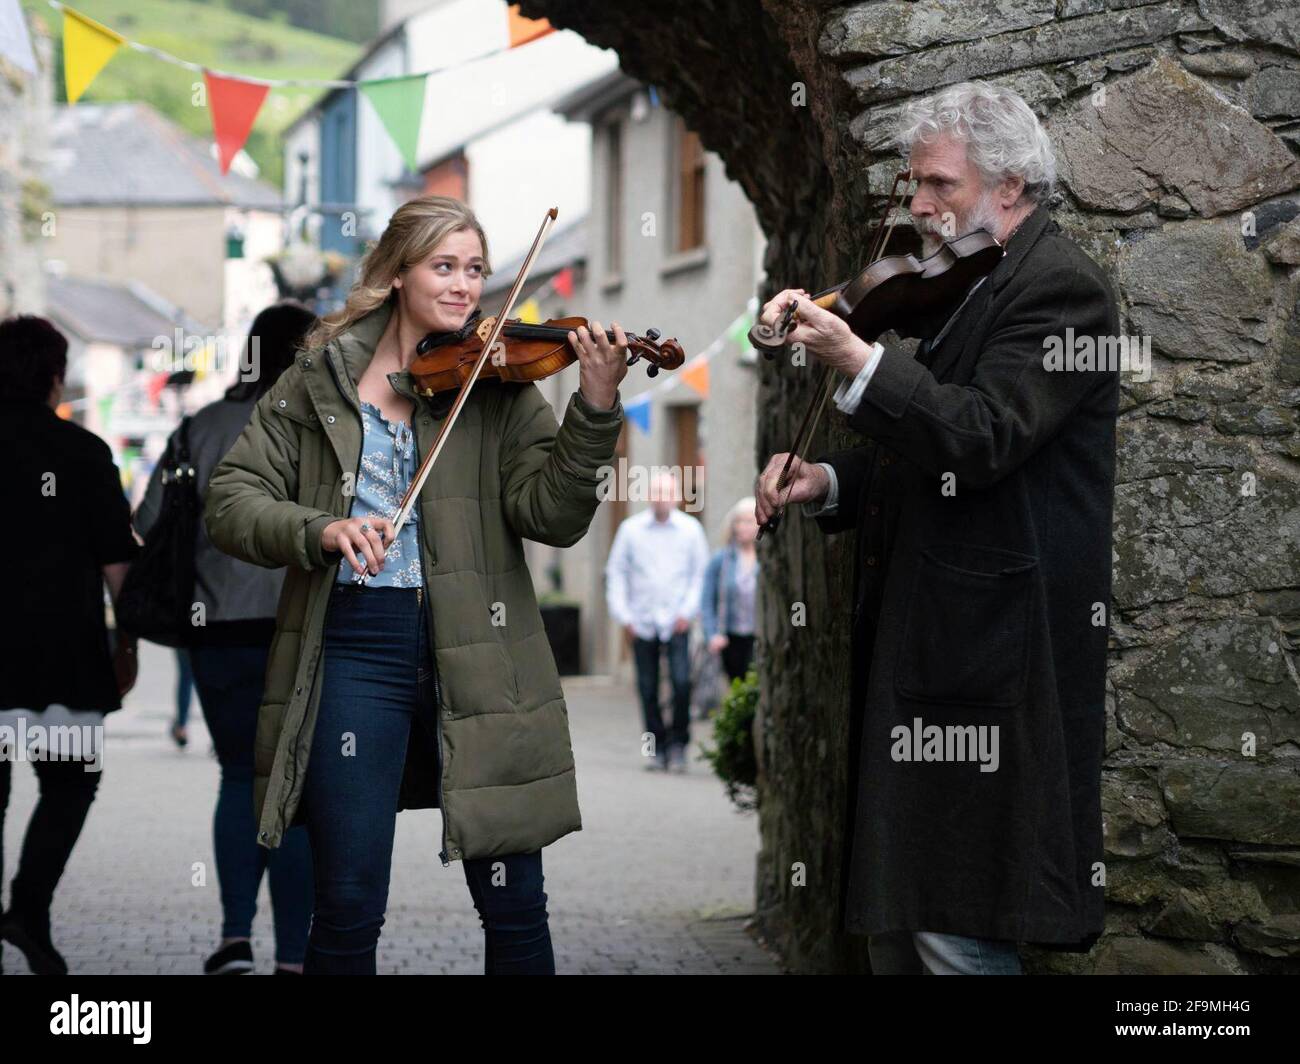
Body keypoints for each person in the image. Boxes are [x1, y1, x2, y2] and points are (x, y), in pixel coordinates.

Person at [204, 195, 628, 975]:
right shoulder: (319, 380)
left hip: (484, 651)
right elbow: (232, 499)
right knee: (347, 898)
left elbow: (553, 514)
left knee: (513, 900)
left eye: (475, 269)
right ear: (398, 273)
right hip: (355, 651)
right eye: (444, 266)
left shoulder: (497, 382)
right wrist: (320, 530)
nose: (465, 286)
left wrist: (595, 405)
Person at [754, 81, 1118, 974]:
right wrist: (830, 480)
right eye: (915, 183)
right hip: (939, 650)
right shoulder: (972, 280)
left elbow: (986, 439)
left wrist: (862, 362)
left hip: (994, 652)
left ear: (1010, 186)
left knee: (956, 922)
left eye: (940, 186)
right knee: (909, 916)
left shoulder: (1063, 290)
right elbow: (934, 464)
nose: (918, 205)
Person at [135, 302, 318, 975]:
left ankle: (234, 937)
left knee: (239, 774)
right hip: (299, 630)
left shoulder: (200, 428)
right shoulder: (319, 427)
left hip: (217, 630)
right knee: (294, 787)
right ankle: (296, 956)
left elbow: (150, 520)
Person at [0, 315, 140, 975]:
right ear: (57, 376)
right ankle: (28, 907)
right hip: (65, 656)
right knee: (70, 783)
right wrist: (129, 646)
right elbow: (119, 565)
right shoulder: (83, 453)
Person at [605, 472, 710, 772]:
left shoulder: (691, 530)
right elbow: (616, 573)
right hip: (642, 622)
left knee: (680, 683)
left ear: (676, 496)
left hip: (677, 620)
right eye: (657, 492)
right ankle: (655, 748)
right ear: (649, 496)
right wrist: (623, 616)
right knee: (647, 689)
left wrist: (687, 612)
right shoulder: (631, 530)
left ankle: (679, 745)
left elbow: (699, 575)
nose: (662, 497)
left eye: (667, 492)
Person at [701, 497, 759, 684]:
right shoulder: (721, 560)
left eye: (748, 521)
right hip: (728, 638)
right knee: (734, 688)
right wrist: (711, 634)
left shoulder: (766, 561)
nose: (742, 527)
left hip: (757, 637)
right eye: (738, 522)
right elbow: (707, 600)